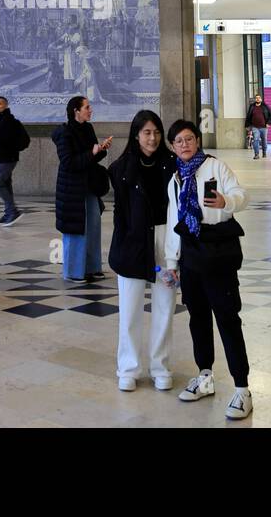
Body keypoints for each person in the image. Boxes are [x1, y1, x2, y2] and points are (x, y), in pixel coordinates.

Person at [163, 119, 252, 420]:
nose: (184, 144)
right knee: (198, 319)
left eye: (189, 139)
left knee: (227, 318)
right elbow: (173, 221)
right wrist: (173, 262)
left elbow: (242, 195)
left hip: (218, 251)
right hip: (191, 254)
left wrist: (226, 201)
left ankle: (242, 388)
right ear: (173, 146)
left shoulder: (216, 167)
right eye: (178, 141)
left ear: (198, 141)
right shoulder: (175, 179)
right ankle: (205, 377)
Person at [108, 109, 176, 392]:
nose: (153, 138)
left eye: (157, 132)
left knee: (165, 308)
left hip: (165, 241)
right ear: (136, 135)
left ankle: (160, 366)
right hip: (133, 242)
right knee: (130, 309)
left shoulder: (173, 165)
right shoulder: (121, 168)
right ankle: (128, 367)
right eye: (147, 132)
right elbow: (120, 213)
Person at [52, 95, 114, 284]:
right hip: (72, 188)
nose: (90, 110)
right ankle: (73, 272)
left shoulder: (88, 128)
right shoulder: (64, 133)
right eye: (87, 107)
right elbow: (68, 162)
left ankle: (92, 267)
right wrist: (91, 153)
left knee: (93, 227)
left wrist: (101, 150)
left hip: (89, 186)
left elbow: (91, 158)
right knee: (75, 229)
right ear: (76, 111)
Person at [0, 95, 30, 226]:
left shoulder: (7, 120)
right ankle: (9, 213)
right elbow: (5, 138)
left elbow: (5, 139)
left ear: (6, 105)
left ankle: (12, 211)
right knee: (6, 184)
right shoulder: (2, 119)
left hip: (7, 158)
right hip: (6, 157)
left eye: (0, 104)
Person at [244, 94, 271, 160]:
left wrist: (269, 123)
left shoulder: (265, 106)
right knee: (255, 140)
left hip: (264, 127)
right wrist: (247, 125)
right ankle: (256, 154)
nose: (257, 99)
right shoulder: (252, 106)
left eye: (259, 98)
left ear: (261, 99)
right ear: (255, 99)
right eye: (256, 98)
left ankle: (264, 152)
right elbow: (248, 116)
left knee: (264, 140)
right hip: (255, 127)